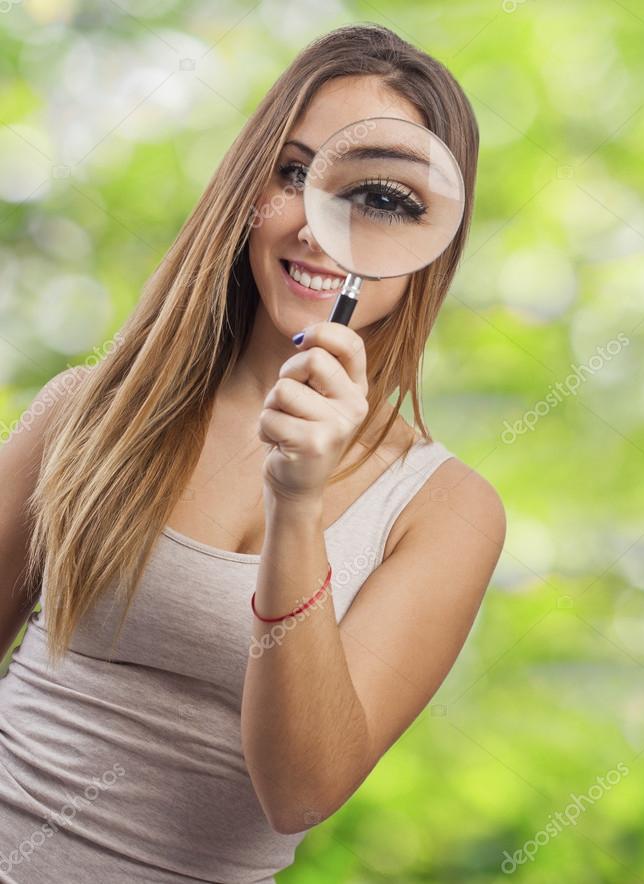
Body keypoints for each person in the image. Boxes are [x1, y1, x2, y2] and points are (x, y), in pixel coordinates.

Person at [0, 23, 505, 882]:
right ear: (248, 189)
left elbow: (301, 791)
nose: (320, 226)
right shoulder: (82, 412)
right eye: (296, 174)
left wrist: (297, 506)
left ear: (433, 243)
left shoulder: (446, 510)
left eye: (381, 199)